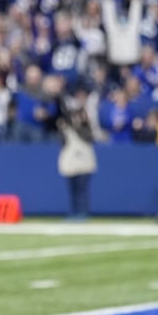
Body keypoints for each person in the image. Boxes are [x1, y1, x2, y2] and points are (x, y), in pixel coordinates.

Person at [55, 87, 97, 221]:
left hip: (84, 160)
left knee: (82, 190)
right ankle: (74, 212)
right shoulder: (64, 125)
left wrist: (80, 124)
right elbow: (62, 141)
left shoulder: (85, 126)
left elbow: (88, 138)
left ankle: (83, 213)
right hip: (70, 161)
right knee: (73, 190)